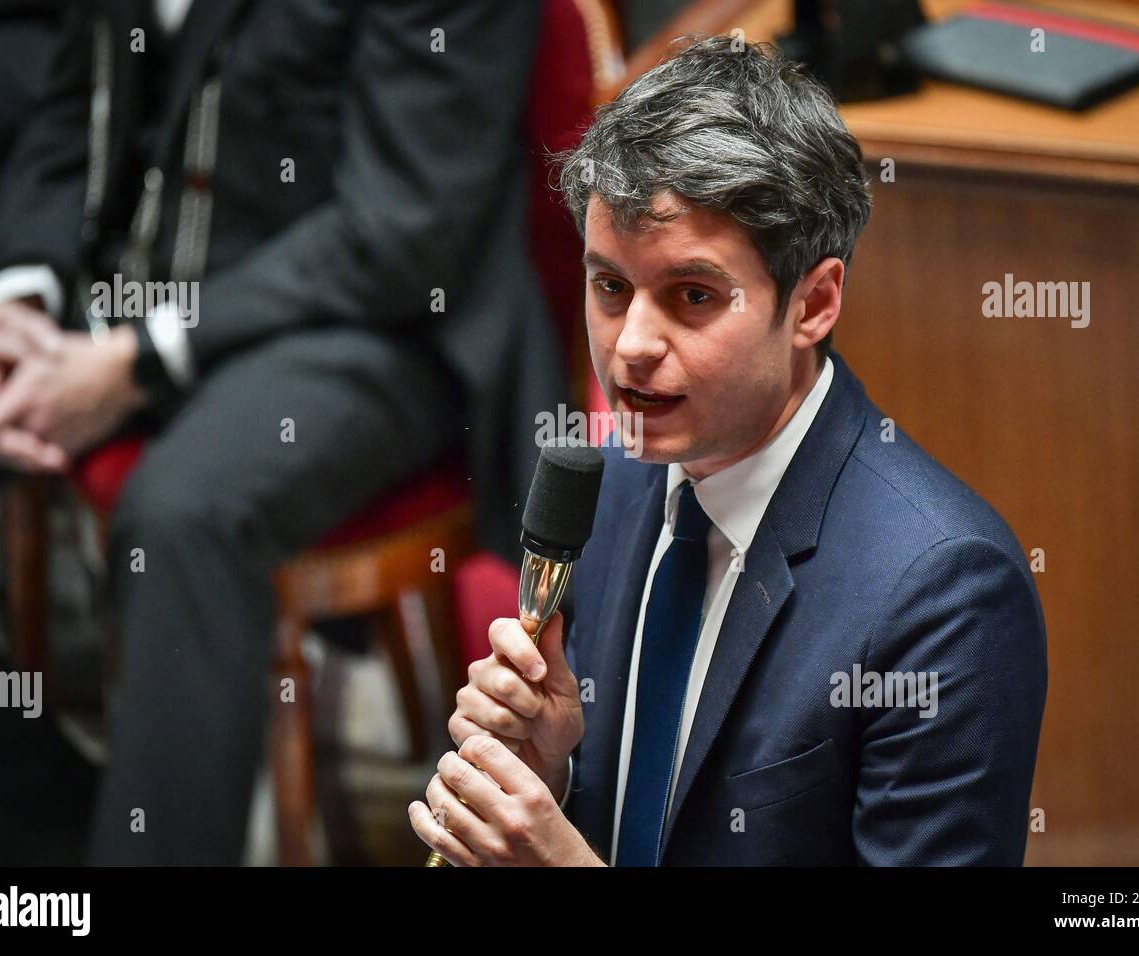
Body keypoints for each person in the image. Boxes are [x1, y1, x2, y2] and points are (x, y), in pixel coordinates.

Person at [0, 0, 558, 865]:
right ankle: (39, 783)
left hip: (375, 321)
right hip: (128, 293)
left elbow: (403, 230)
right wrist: (17, 307)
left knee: (184, 514)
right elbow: (75, 103)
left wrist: (135, 362)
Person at [408, 36, 1047, 866]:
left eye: (693, 296)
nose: (631, 346)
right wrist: (551, 773)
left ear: (814, 302)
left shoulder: (944, 595)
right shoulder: (613, 486)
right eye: (610, 286)